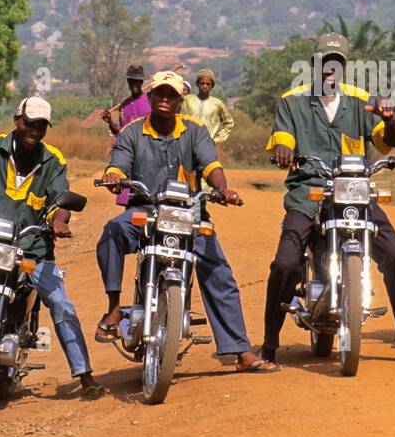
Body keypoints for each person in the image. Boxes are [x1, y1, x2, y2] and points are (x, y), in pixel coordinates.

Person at [261, 33, 395, 364]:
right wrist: (285, 149)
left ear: (344, 67)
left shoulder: (360, 100)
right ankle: (269, 344)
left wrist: (389, 122)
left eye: (337, 63)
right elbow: (283, 139)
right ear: (314, 65)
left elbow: (387, 142)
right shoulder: (293, 101)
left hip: (354, 191)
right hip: (309, 191)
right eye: (324, 63)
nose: (330, 70)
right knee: (286, 262)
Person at [94, 71, 278, 373]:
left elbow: (211, 164)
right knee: (113, 231)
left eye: (172, 95)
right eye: (160, 94)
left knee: (219, 271)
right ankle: (114, 308)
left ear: (181, 101)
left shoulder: (195, 130)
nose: (165, 100)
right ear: (150, 97)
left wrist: (223, 190)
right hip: (146, 211)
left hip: (188, 213)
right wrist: (114, 175)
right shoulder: (131, 132)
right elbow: (119, 162)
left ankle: (240, 350)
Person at [0, 97, 104, 397]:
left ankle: (84, 373)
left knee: (61, 303)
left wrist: (60, 221)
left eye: (41, 126)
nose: (34, 131)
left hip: (32, 250)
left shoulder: (53, 161)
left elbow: (59, 200)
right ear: (17, 120)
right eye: (29, 123)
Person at [183, 68, 236, 147]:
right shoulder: (187, 100)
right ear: (197, 84)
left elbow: (229, 123)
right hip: (186, 143)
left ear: (212, 86)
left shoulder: (217, 104)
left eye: (208, 84)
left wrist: (216, 140)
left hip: (206, 146)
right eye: (202, 83)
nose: (205, 86)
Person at [100, 64, 151, 137]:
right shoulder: (123, 106)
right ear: (128, 81)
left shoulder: (150, 102)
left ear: (142, 82)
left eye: (137, 81)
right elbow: (120, 133)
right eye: (131, 81)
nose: (134, 85)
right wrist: (110, 122)